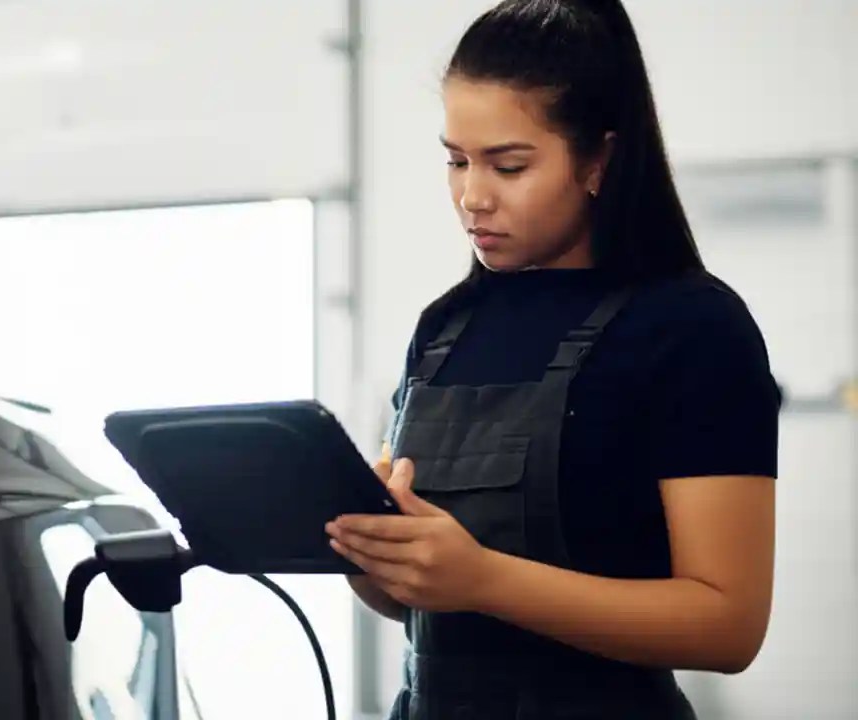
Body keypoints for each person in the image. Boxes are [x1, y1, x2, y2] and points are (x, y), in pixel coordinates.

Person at [324, 0, 780, 717]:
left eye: (508, 165)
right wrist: (371, 556)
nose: (472, 196)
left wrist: (483, 579)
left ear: (599, 158)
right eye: (455, 160)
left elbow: (728, 626)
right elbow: (416, 601)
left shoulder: (692, 327)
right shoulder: (444, 330)